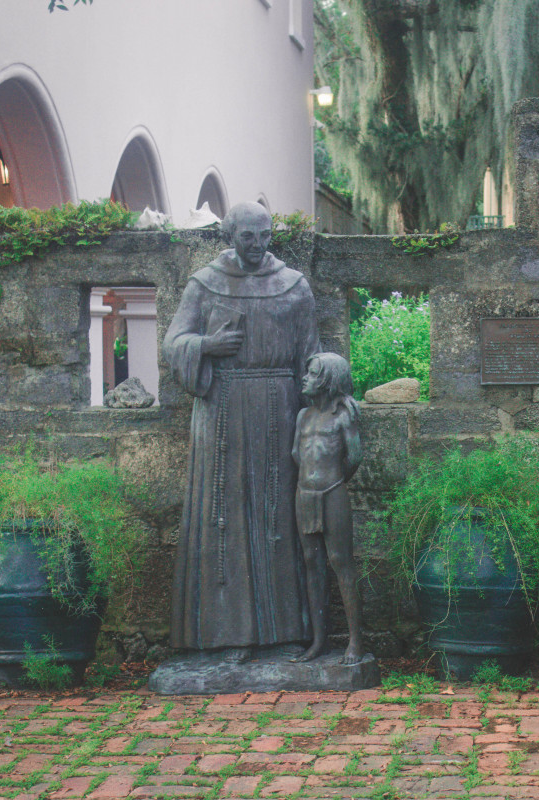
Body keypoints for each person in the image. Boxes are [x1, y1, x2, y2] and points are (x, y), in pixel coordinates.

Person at [163, 201, 319, 662]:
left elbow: (311, 354)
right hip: (223, 412)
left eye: (265, 235)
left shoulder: (293, 286)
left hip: (280, 410)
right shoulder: (205, 283)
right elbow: (175, 343)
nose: (257, 245)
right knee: (224, 520)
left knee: (279, 520)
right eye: (248, 236)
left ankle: (285, 632)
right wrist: (207, 346)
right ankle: (225, 638)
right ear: (230, 234)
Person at [291, 353, 366, 664]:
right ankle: (319, 640)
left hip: (333, 492)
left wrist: (333, 481)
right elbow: (296, 454)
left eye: (312, 373)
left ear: (327, 380)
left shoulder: (342, 416)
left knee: (341, 563)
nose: (305, 378)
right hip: (304, 495)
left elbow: (355, 457)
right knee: (312, 564)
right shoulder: (303, 416)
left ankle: (356, 643)